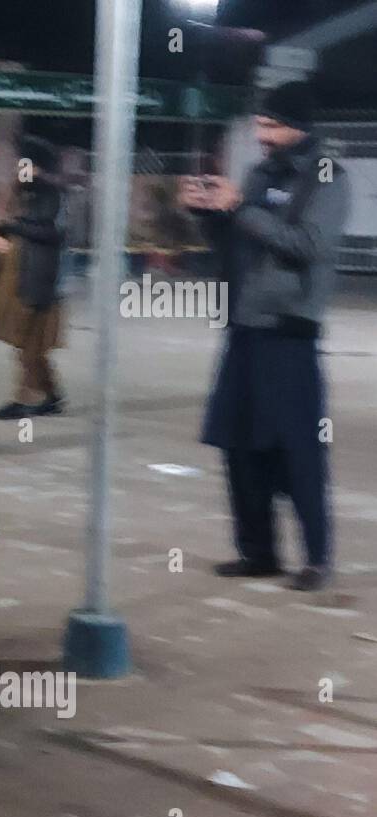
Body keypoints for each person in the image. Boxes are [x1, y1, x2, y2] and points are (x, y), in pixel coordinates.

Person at [182, 82, 349, 592]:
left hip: (289, 332)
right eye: (259, 124)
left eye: (270, 125)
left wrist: (240, 210)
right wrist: (207, 212)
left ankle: (317, 559)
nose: (261, 134)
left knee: (297, 449)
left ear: (298, 126)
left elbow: (309, 245)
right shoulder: (260, 174)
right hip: (244, 328)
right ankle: (258, 553)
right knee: (238, 444)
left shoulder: (325, 176)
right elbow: (237, 239)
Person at [0, 135, 67, 420]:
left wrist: (13, 225)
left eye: (24, 163)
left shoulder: (51, 195)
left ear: (37, 166)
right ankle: (52, 396)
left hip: (38, 280)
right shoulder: (29, 194)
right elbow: (27, 230)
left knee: (28, 344)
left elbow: (52, 233)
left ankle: (25, 399)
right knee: (31, 345)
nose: (18, 168)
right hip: (24, 276)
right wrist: (3, 228)